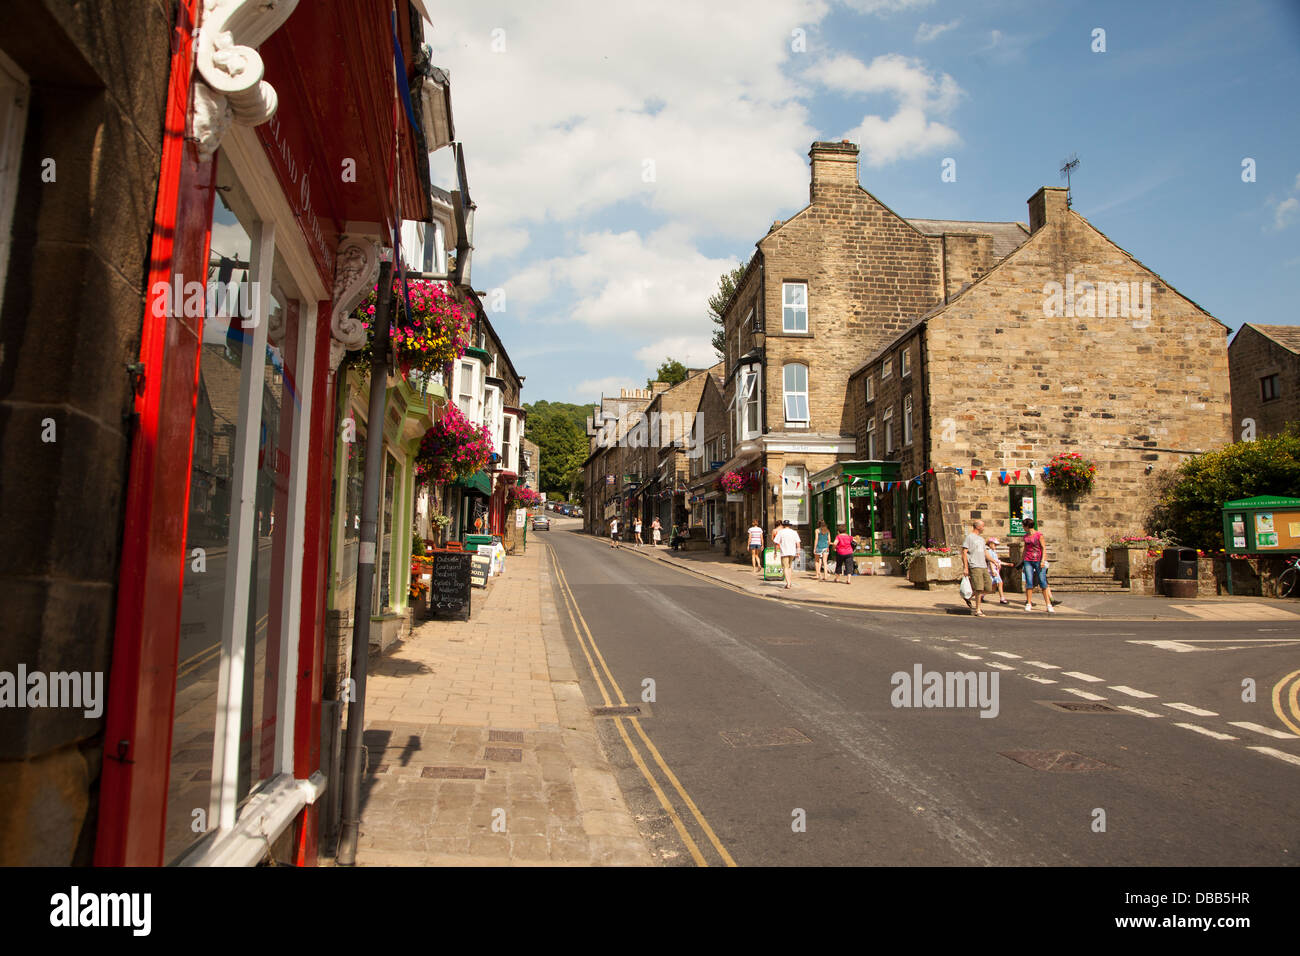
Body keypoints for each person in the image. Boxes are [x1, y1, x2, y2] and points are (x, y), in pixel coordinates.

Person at [1020, 519, 1055, 613]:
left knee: (1043, 582)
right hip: (1028, 560)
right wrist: (1022, 561)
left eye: (1023, 526)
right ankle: (1028, 603)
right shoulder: (1025, 537)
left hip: (1038, 560)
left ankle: (1048, 604)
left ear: (1027, 526)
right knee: (1029, 582)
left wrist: (1043, 560)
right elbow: (1025, 549)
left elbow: (1043, 548)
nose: (1023, 528)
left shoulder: (1039, 535)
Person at [961, 519, 992, 616]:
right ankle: (978, 610)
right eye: (982, 526)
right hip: (974, 565)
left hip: (983, 565)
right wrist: (966, 567)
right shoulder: (969, 538)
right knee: (978, 588)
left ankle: (969, 597)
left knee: (988, 587)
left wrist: (994, 561)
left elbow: (985, 552)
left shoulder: (981, 539)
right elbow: (964, 553)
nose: (983, 528)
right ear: (978, 527)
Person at [773, 519, 801, 590]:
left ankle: (788, 583)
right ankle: (790, 582)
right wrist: (798, 552)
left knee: (785, 567)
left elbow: (776, 543)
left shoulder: (781, 532)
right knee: (789, 566)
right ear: (789, 525)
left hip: (784, 552)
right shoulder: (794, 532)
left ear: (783, 525)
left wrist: (775, 552)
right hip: (792, 552)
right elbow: (798, 543)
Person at [986, 537, 1009, 605]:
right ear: (990, 544)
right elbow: (990, 561)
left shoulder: (993, 552)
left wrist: (1007, 564)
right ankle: (1002, 598)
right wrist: (993, 570)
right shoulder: (990, 552)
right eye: (994, 544)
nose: (995, 546)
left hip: (995, 570)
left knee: (992, 587)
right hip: (993, 571)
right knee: (1000, 583)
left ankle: (981, 595)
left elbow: (997, 561)